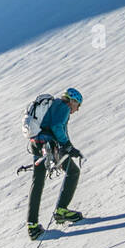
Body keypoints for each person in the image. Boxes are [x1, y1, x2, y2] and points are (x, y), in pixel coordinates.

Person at [26, 87, 84, 239]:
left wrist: (69, 146)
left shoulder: (54, 105)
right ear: (73, 101)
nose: (76, 110)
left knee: (37, 182)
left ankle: (32, 226)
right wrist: (68, 146)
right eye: (78, 105)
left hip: (36, 143)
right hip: (49, 146)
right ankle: (61, 211)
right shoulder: (63, 107)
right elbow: (57, 127)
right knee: (73, 172)